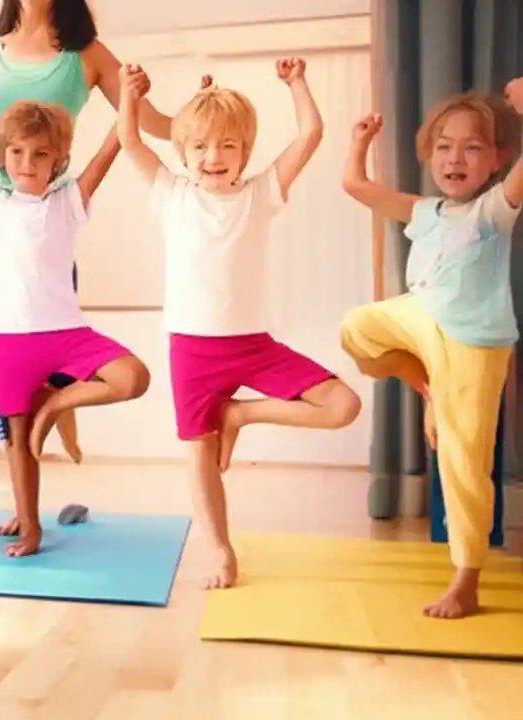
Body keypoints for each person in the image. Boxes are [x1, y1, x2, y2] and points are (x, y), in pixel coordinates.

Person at [118, 59, 361, 589]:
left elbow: (311, 133)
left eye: (228, 146)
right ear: (182, 153)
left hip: (253, 344)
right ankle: (222, 553)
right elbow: (131, 142)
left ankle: (242, 414)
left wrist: (297, 83)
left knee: (344, 405)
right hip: (192, 346)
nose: (214, 157)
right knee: (199, 458)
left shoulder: (260, 193)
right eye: (202, 146)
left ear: (246, 153)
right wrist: (128, 92)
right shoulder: (172, 194)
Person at [0, 67, 149, 556]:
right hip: (9, 339)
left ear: (58, 160)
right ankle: (30, 527)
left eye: (41, 153)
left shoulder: (69, 201)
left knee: (134, 378)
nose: (28, 162)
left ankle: (56, 403)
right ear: (3, 157)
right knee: (18, 440)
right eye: (18, 152)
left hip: (67, 334)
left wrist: (128, 97)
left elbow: (111, 147)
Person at [0, 0, 177, 460]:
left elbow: (149, 122)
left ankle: (58, 401)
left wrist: (202, 115)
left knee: (52, 344)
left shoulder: (84, 54)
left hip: (45, 225)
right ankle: (23, 495)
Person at [339, 78, 523, 619]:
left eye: (471, 147)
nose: (455, 157)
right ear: (428, 156)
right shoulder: (424, 211)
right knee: (357, 328)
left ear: (497, 159)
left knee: (463, 462)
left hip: (472, 341)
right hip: (421, 320)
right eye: (444, 146)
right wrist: (359, 139)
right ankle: (427, 389)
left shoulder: (494, 211)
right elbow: (355, 184)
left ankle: (465, 580)